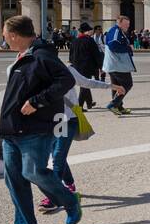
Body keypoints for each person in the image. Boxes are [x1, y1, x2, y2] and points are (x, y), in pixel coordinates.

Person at [0, 15, 82, 224]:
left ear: (14, 35)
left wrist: (37, 101)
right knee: (14, 180)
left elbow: (66, 80)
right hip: (12, 130)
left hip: (34, 129)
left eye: (5, 35)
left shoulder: (42, 55)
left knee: (32, 172)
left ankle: (70, 201)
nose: (4, 40)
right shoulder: (25, 56)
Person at [37, 66, 124, 215]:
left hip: (68, 118)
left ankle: (54, 197)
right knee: (58, 155)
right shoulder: (38, 70)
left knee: (58, 156)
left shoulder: (66, 70)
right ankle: (69, 185)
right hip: (54, 120)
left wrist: (112, 86)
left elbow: (87, 82)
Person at [102, 15, 137, 116]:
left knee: (117, 86)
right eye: (126, 24)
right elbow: (113, 45)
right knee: (127, 84)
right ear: (119, 23)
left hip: (114, 64)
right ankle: (113, 104)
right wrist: (128, 48)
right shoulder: (115, 31)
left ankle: (119, 107)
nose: (128, 26)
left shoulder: (118, 31)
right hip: (117, 65)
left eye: (128, 24)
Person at [69, 22, 102, 110]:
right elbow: (96, 54)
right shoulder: (89, 40)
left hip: (76, 66)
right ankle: (79, 106)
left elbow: (71, 55)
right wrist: (100, 66)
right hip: (86, 66)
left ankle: (89, 103)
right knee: (85, 85)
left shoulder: (75, 41)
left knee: (85, 84)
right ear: (87, 31)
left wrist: (73, 63)